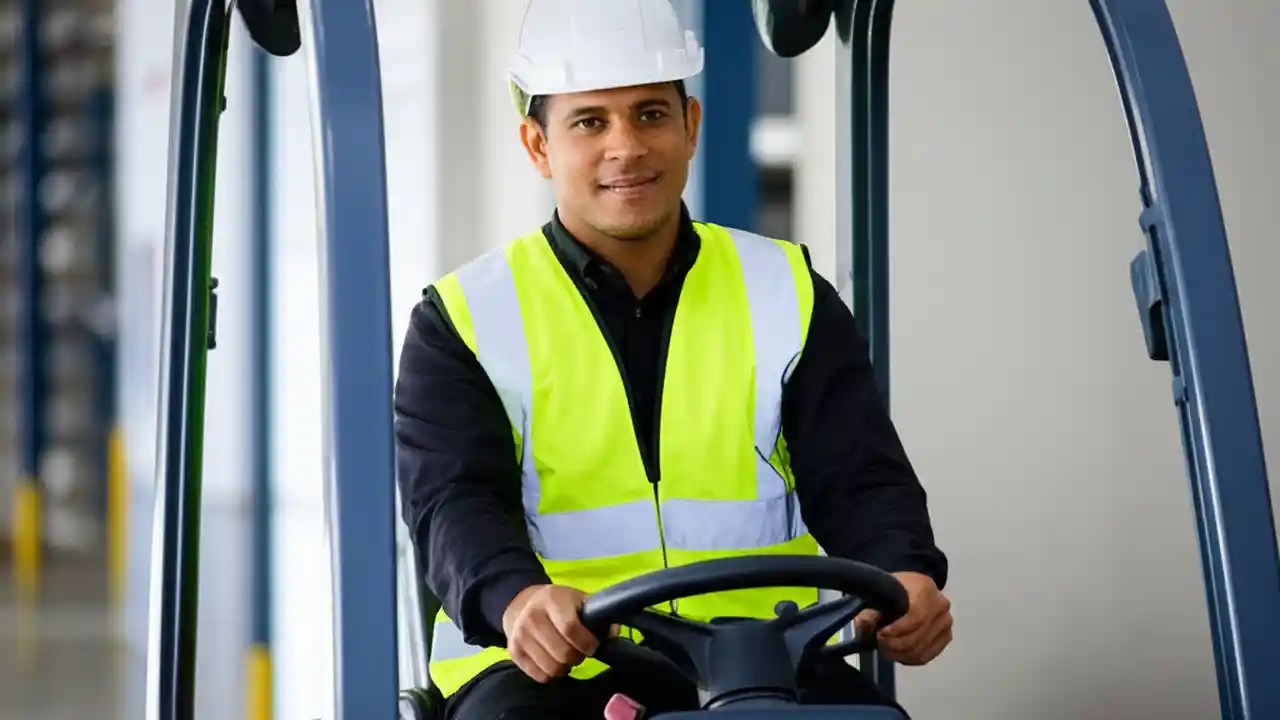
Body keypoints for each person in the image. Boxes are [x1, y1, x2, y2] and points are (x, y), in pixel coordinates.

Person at [393, 1, 952, 717]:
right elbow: (454, 502)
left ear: (690, 127)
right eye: (590, 121)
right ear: (538, 146)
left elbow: (860, 474)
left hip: (764, 656)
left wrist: (903, 570)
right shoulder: (463, 321)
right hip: (553, 670)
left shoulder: (786, 291)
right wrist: (518, 598)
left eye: (651, 114)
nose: (627, 147)